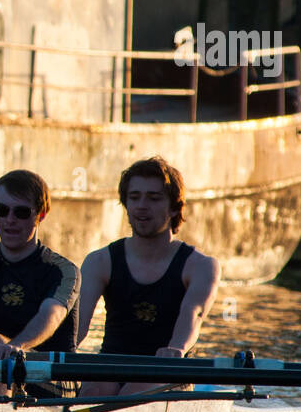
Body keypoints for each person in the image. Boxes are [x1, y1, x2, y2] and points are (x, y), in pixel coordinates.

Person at [77, 157, 221, 397]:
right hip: (110, 369)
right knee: (93, 392)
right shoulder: (99, 261)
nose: (142, 206)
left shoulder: (200, 266)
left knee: (130, 396)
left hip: (167, 369)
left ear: (174, 207)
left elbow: (193, 313)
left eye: (153, 199)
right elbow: (76, 329)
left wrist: (176, 348)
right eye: (134, 198)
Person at [0, 169, 80, 397]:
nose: (10, 220)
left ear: (41, 214)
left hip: (54, 377)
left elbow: (51, 316)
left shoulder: (63, 271)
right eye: (2, 210)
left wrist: (16, 347)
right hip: (0, 370)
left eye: (21, 212)